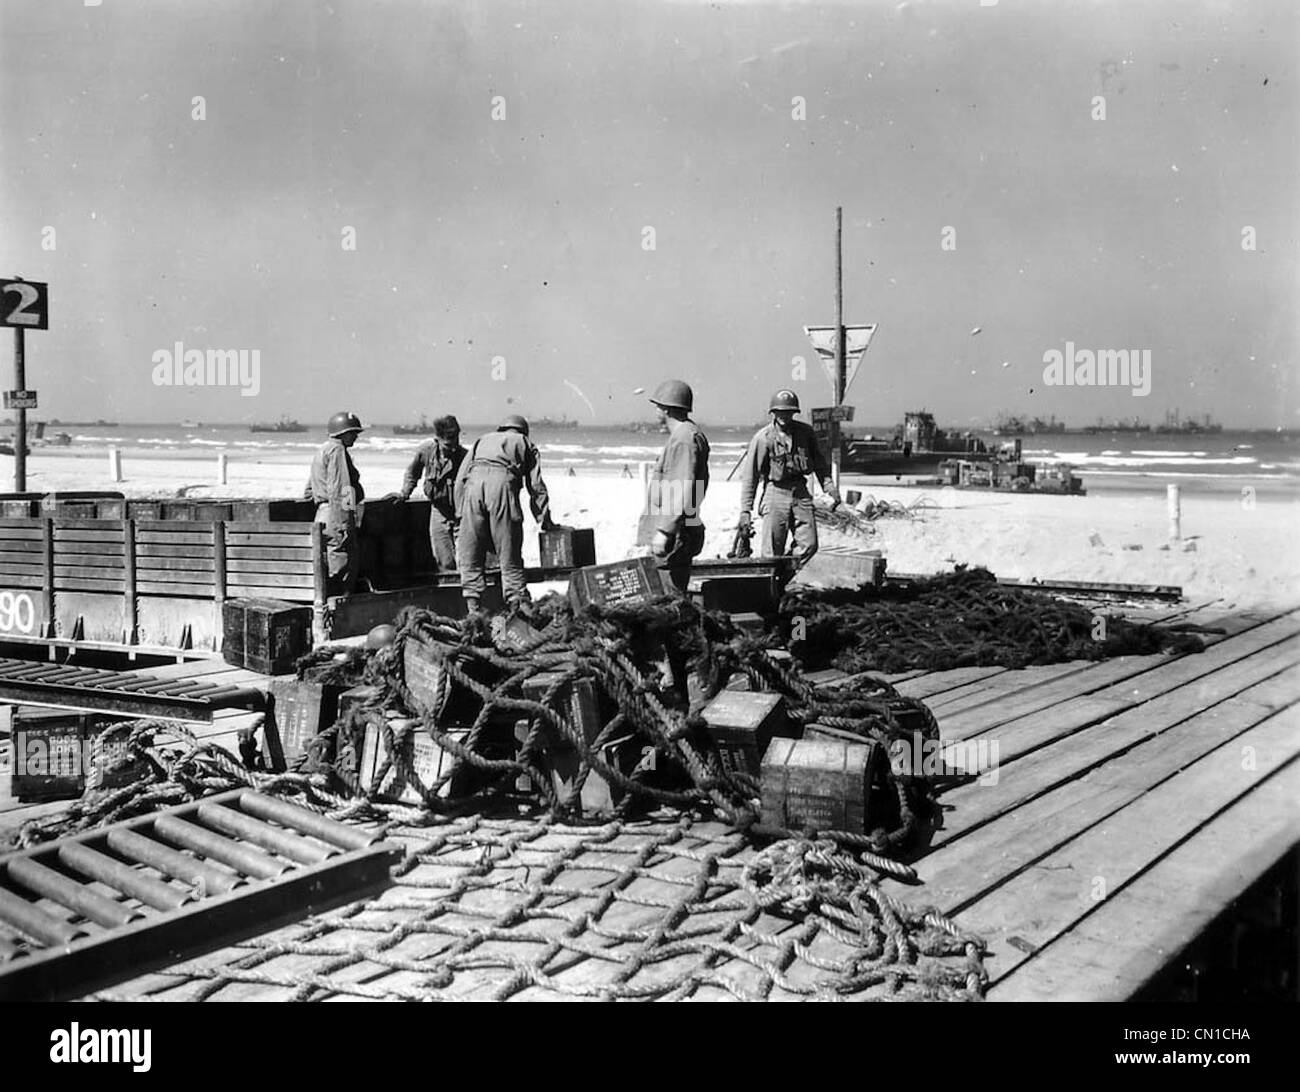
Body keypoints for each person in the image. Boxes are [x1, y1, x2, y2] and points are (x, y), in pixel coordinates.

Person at [454, 413, 553, 614]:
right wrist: (544, 519)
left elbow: (460, 480)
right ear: (523, 430)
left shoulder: (482, 440)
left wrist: (460, 515)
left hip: (473, 488)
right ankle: (518, 607)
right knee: (509, 554)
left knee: (471, 554)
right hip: (501, 487)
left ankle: (474, 611)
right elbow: (536, 485)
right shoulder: (525, 442)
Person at [738, 389, 841, 566]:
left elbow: (819, 464)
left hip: (800, 491)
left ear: (794, 413)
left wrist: (830, 487)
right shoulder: (763, 438)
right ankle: (773, 588)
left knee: (809, 545)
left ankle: (785, 573)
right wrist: (745, 510)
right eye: (779, 412)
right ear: (773, 413)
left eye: (788, 412)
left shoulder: (805, 433)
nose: (783, 416)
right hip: (775, 492)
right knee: (771, 552)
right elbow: (751, 476)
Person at [646, 379, 710, 593]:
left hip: (676, 531)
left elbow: (683, 487)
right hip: (682, 526)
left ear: (666, 408)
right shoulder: (688, 434)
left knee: (668, 598)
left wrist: (665, 530)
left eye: (657, 405)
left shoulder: (683, 439)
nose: (656, 410)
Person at [303, 410, 366, 596]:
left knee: (331, 559)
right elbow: (342, 489)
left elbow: (309, 491)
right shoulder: (337, 450)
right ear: (342, 433)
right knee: (342, 562)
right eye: (353, 432)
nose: (355, 437)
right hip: (336, 514)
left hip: (323, 512)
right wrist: (346, 520)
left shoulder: (323, 450)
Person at [398, 414, 466, 571]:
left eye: (455, 442)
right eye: (448, 446)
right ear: (437, 439)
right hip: (438, 510)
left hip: (461, 512)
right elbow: (412, 473)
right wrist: (405, 493)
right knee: (443, 559)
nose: (453, 448)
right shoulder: (426, 452)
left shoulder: (465, 457)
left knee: (465, 558)